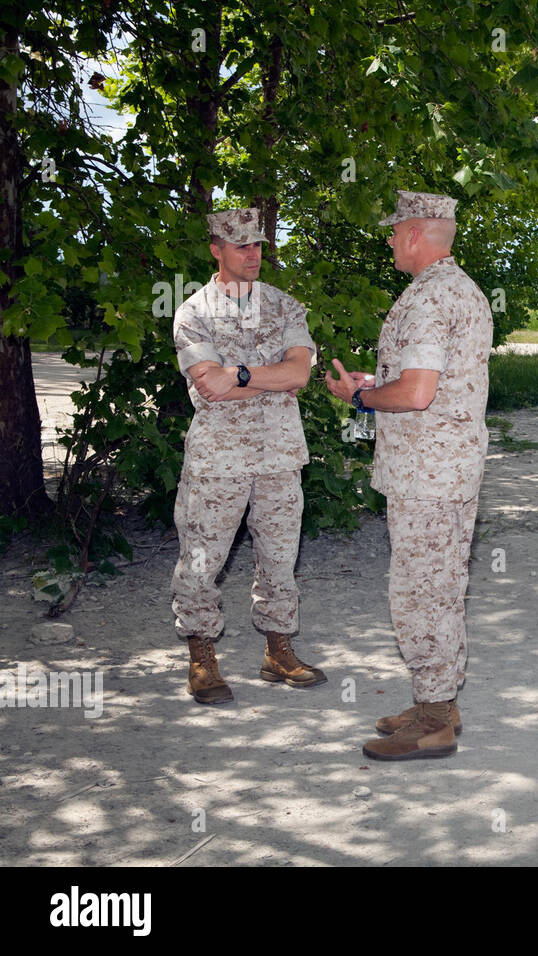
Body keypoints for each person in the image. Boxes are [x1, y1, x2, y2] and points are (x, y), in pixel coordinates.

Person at [325, 191, 492, 761]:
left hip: (428, 473)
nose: (390, 239)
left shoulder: (427, 299)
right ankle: (436, 704)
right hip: (445, 467)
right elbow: (433, 380)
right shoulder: (459, 289)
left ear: (416, 233)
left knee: (420, 594)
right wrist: (384, 380)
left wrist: (364, 396)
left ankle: (434, 721)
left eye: (396, 230)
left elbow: (418, 395)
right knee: (441, 589)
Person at [171, 207, 323, 705]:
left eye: (257, 244)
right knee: (201, 560)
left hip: (279, 457)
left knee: (280, 559)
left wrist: (237, 374)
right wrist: (266, 375)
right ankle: (201, 656)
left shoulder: (285, 307)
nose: (253, 253)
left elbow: (298, 375)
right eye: (241, 246)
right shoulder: (193, 312)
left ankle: (278, 650)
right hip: (218, 461)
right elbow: (208, 387)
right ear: (216, 249)